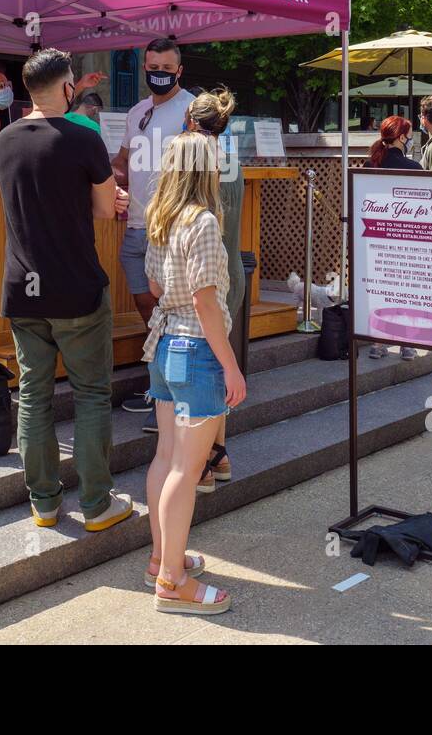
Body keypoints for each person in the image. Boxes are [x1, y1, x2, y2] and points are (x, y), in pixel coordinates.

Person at [0, 48, 133, 532]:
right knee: (91, 394)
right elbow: (104, 209)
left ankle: (45, 503)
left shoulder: (6, 139)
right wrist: (107, 197)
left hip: (23, 286)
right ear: (67, 87)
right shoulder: (83, 137)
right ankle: (96, 504)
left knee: (34, 395)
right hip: (76, 284)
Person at [143, 131, 246, 615]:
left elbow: (154, 284)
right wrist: (232, 366)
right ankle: (172, 580)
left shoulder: (160, 218)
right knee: (186, 470)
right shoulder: (203, 222)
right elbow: (206, 302)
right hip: (196, 350)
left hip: (164, 345)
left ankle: (162, 560)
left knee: (166, 459)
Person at [112, 38, 195, 413]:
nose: (159, 74)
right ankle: (159, 386)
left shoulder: (191, 109)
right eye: (153, 68)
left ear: (179, 71)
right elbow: (122, 163)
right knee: (148, 308)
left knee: (173, 310)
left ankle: (175, 392)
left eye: (166, 69)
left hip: (171, 228)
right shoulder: (137, 112)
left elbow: (208, 167)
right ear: (144, 68)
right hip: (135, 226)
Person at [185, 87, 242, 492]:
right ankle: (218, 453)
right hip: (230, 269)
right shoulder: (231, 158)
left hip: (205, 274)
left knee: (204, 369)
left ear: (190, 121)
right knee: (219, 363)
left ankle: (204, 460)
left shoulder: (193, 160)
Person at [366, 115, 420, 362]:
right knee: (407, 292)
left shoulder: (370, 165)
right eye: (409, 134)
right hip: (406, 240)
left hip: (376, 239)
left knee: (381, 292)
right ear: (401, 137)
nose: (411, 139)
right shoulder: (413, 168)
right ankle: (407, 343)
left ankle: (378, 342)